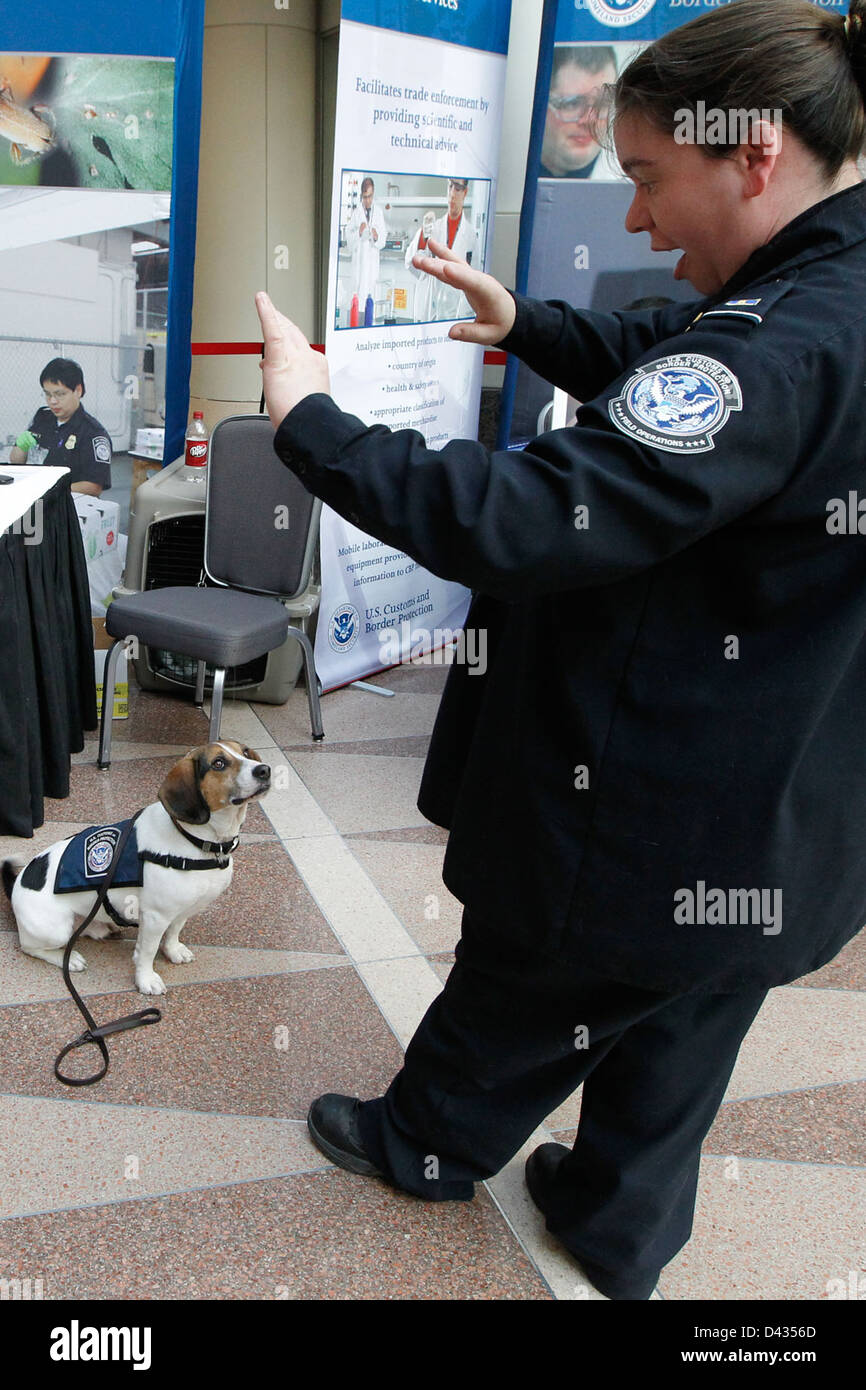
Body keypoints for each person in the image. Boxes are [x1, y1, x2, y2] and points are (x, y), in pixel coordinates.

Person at [255, 0, 866, 1299]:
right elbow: (684, 356)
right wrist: (524, 321)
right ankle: (610, 1222)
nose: (637, 219)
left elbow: (528, 517)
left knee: (525, 984)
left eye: (647, 178)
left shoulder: (795, 340)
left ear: (750, 154)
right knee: (685, 1019)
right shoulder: (821, 296)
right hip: (780, 822)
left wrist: (312, 421)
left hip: (651, 806)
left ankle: (424, 1144)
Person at [9, 358, 111, 496]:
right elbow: (16, 461)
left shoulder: (92, 433)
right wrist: (20, 447)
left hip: (67, 505)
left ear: (78, 390)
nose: (53, 401)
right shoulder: (42, 417)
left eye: (60, 394)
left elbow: (93, 487)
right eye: (48, 394)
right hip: (34, 497)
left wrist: (50, 489)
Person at [540, 44, 621, 180]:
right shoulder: (500, 167)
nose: (589, 121)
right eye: (572, 103)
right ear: (538, 103)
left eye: (602, 103)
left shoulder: (631, 184)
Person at [430, 177, 477, 319]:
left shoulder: (471, 236)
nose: (452, 193)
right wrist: (422, 237)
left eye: (457, 188)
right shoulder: (434, 228)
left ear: (465, 192)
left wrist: (462, 314)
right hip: (432, 310)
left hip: (457, 312)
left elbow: (474, 281)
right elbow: (412, 263)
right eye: (450, 186)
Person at [344, 176, 387, 315]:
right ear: (361, 196)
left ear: (373, 194)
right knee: (356, 304)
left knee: (370, 301)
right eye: (364, 197)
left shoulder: (379, 213)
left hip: (371, 265)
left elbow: (383, 240)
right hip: (359, 265)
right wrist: (359, 231)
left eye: (370, 196)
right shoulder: (356, 213)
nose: (367, 200)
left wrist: (376, 236)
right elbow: (348, 236)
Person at [404, 210, 439, 322]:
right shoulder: (421, 235)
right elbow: (410, 261)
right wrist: (423, 237)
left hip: (442, 294)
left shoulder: (441, 234)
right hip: (424, 293)